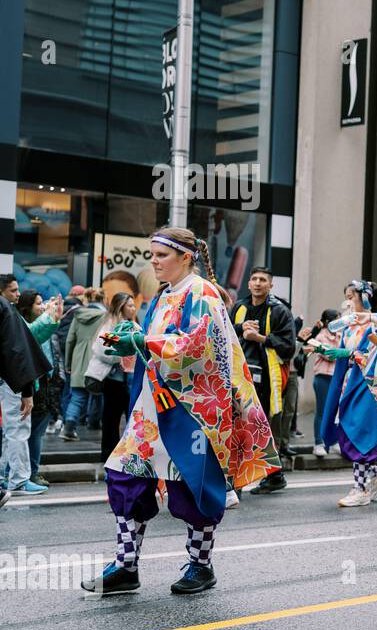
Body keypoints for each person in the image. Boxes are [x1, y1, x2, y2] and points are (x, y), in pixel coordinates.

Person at [80, 226, 280, 595]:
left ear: (185, 257)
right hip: (154, 407)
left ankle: (201, 566)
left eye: (161, 255)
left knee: (190, 485)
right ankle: (126, 566)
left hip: (193, 408)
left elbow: (197, 342)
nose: (153, 262)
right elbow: (157, 348)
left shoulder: (200, 292)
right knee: (125, 475)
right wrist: (130, 343)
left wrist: (142, 338)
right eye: (152, 255)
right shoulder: (163, 296)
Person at [314, 280, 377, 507]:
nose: (348, 301)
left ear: (365, 298)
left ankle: (361, 487)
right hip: (350, 383)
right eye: (347, 296)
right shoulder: (349, 325)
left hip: (369, 386)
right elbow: (349, 354)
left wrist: (345, 352)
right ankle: (373, 475)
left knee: (360, 432)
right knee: (351, 429)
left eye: (351, 296)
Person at [232, 268, 296, 493]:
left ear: (270, 285)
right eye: (254, 279)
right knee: (240, 424)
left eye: (263, 280)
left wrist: (258, 338)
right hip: (240, 374)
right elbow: (225, 332)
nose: (258, 283)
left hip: (268, 378)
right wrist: (241, 328)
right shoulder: (239, 307)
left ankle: (269, 476)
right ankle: (252, 477)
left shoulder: (279, 311)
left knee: (262, 426)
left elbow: (289, 347)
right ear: (248, 283)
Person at [2, 292, 58, 495]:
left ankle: (6, 475)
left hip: (9, 379)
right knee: (17, 430)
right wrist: (27, 389)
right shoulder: (7, 310)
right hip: (11, 380)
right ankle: (17, 479)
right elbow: (18, 348)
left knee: (11, 431)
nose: (16, 293)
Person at [85, 292, 139, 463]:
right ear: (121, 306)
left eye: (133, 305)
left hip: (131, 380)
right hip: (114, 381)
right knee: (111, 419)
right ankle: (109, 455)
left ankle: (129, 455)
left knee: (133, 419)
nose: (133, 308)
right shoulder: (109, 326)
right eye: (130, 305)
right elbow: (102, 350)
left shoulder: (135, 325)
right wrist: (124, 354)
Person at [18, 291, 62, 487]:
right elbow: (32, 336)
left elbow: (54, 350)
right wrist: (48, 316)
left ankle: (32, 472)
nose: (42, 307)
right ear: (27, 306)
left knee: (37, 431)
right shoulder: (21, 325)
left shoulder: (44, 324)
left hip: (46, 383)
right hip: (30, 384)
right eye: (38, 304)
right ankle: (24, 474)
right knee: (26, 432)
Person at [61, 288, 107, 441]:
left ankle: (68, 427)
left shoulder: (78, 315)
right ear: (103, 300)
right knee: (98, 394)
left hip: (79, 359)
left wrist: (68, 363)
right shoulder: (106, 317)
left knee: (77, 397)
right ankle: (94, 423)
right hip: (98, 359)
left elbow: (70, 340)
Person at [300, 308, 342, 457]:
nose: (339, 323)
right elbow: (330, 356)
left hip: (336, 377)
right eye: (336, 320)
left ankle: (334, 442)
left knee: (335, 411)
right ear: (328, 322)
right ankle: (318, 443)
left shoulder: (340, 335)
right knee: (322, 411)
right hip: (323, 377)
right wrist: (340, 354)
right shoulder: (320, 336)